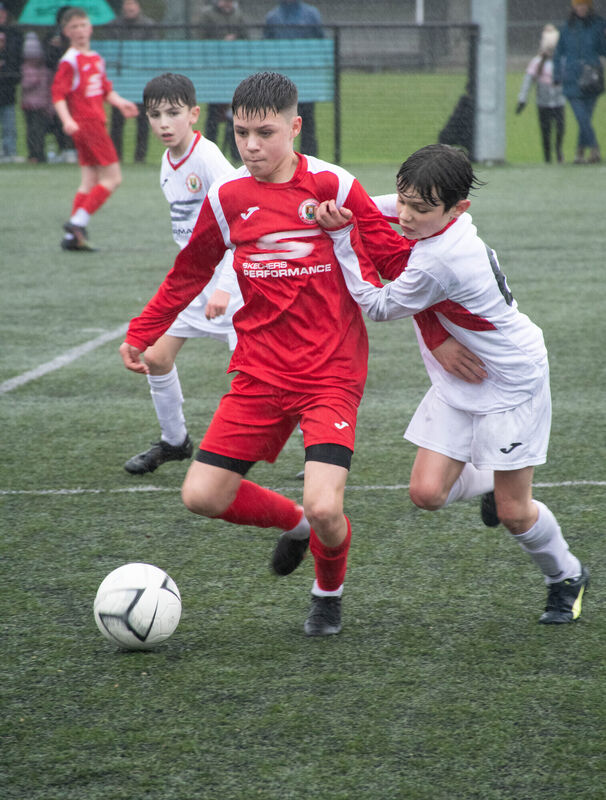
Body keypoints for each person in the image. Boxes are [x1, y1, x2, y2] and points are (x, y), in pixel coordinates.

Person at [119, 71, 457, 637]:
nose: (251, 146)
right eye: (241, 133)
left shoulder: (333, 186)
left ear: (295, 127)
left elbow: (398, 265)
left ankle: (328, 591)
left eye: (265, 133)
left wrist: (440, 334)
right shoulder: (228, 198)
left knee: (329, 507)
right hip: (258, 372)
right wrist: (143, 331)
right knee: (201, 495)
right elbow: (190, 272)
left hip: (331, 373)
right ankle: (296, 525)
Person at [314, 143, 589, 626]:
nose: (405, 215)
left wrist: (341, 237)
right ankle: (487, 482)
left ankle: (566, 575)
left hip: (511, 381)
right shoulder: (436, 224)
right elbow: (377, 209)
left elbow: (378, 305)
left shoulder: (442, 258)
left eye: (420, 209)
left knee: (514, 512)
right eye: (403, 200)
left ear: (459, 208)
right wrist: (345, 206)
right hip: (462, 372)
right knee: (425, 493)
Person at [124, 72, 243, 475]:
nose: (164, 123)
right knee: (156, 357)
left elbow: (242, 224)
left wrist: (225, 286)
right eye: (155, 114)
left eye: (173, 113)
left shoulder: (207, 157)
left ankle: (315, 445)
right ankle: (174, 442)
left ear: (194, 114)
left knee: (258, 375)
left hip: (234, 283)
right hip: (195, 285)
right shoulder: (167, 161)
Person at [52, 7, 139, 251]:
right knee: (113, 178)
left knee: (89, 180)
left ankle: (72, 238)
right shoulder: (70, 60)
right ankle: (77, 222)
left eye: (83, 25)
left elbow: (105, 90)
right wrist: (67, 120)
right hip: (87, 125)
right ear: (66, 32)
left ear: (90, 28)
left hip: (92, 124)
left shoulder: (96, 58)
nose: (80, 30)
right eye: (74, 27)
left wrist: (121, 103)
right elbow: (57, 95)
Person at [264, 1, 323, 157]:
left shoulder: (311, 15)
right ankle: (281, 155)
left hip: (305, 78)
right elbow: (267, 46)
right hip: (281, 80)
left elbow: (320, 43)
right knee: (279, 118)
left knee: (307, 118)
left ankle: (309, 158)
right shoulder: (273, 17)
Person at [193, 0, 248, 163]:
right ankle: (210, 152)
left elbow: (247, 38)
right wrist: (220, 43)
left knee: (236, 112)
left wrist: (236, 40)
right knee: (213, 114)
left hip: (233, 70)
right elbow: (200, 40)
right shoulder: (207, 15)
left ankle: (236, 154)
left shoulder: (239, 15)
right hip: (215, 72)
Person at [553, 0, 606, 164]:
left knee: (585, 119)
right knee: (582, 117)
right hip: (572, 79)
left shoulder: (598, 26)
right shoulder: (566, 28)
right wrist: (557, 75)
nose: (581, 8)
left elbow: (602, 49)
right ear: (573, 7)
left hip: (592, 78)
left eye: (584, 5)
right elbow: (558, 54)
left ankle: (579, 153)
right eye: (578, 5)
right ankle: (594, 148)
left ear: (589, 7)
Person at [110, 0, 156, 164]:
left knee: (143, 118)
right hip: (121, 78)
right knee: (117, 118)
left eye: (132, 4)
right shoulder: (114, 25)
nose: (129, 8)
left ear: (138, 6)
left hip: (140, 78)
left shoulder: (148, 25)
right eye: (127, 4)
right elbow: (112, 50)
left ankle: (140, 157)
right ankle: (116, 156)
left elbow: (151, 50)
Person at [516, 24, 566, 164]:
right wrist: (522, 100)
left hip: (559, 102)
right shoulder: (536, 62)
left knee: (560, 129)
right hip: (543, 104)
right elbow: (527, 82)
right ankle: (547, 158)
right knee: (546, 132)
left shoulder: (561, 61)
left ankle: (558, 151)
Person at [42, 4, 77, 163]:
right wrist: (54, 47)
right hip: (59, 83)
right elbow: (48, 61)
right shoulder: (52, 37)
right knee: (58, 117)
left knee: (77, 116)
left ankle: (75, 148)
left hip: (76, 84)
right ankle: (63, 148)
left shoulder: (77, 38)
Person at [20, 32, 54, 163]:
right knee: (32, 131)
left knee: (39, 130)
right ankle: (33, 154)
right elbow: (25, 85)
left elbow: (48, 89)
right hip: (29, 105)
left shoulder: (45, 70)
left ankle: (40, 154)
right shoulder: (25, 68)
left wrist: (49, 106)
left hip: (41, 105)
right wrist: (35, 79)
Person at [0, 2, 23, 163]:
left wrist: (4, 51)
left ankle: (10, 151)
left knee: (9, 123)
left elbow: (16, 58)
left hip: (7, 86)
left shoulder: (13, 35)